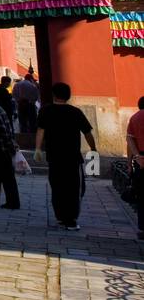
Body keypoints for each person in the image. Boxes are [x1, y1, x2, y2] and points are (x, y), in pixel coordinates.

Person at [35, 82, 97, 230]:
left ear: (54, 95)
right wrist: (93, 148)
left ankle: (61, 217)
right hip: (72, 157)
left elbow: (40, 131)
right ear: (68, 96)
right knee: (74, 188)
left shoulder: (45, 111)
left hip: (54, 157)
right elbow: (87, 132)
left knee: (57, 187)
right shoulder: (75, 112)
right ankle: (71, 219)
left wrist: (37, 148)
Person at [126, 97, 144, 241]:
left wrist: (134, 159)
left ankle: (143, 228)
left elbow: (130, 139)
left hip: (141, 160)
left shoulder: (135, 118)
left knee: (142, 195)